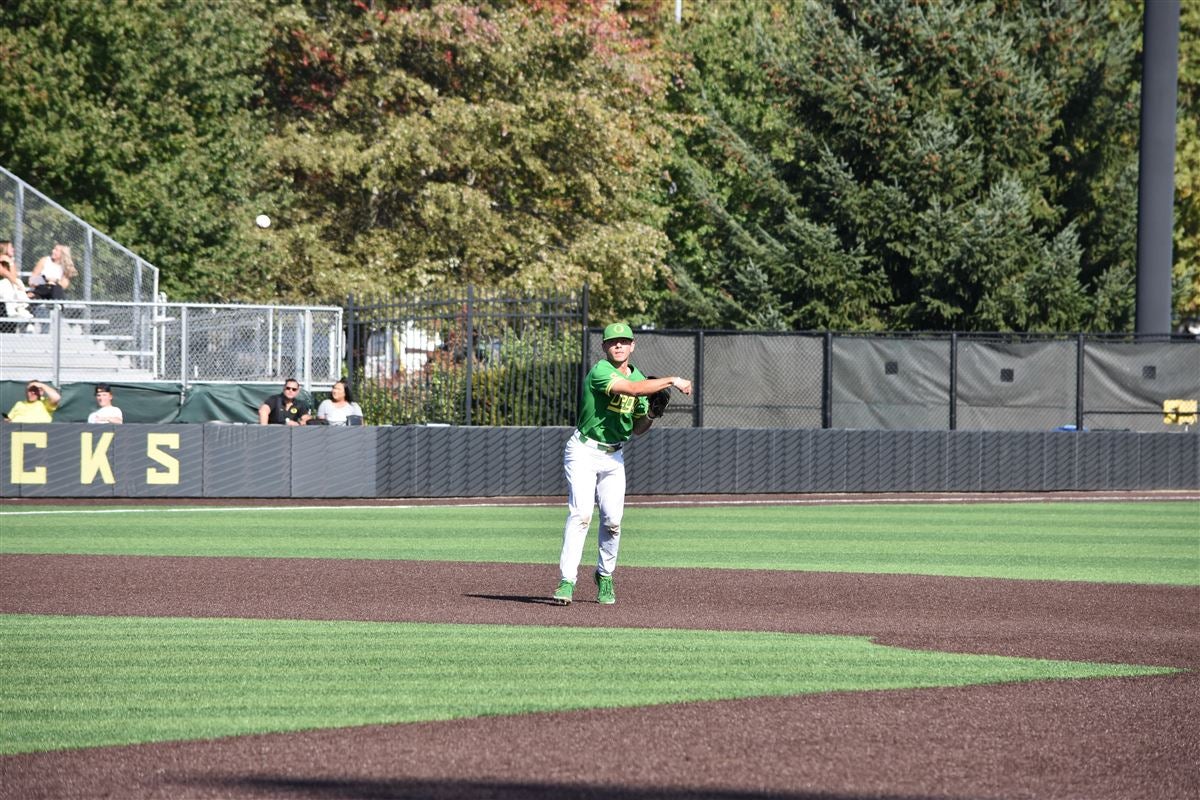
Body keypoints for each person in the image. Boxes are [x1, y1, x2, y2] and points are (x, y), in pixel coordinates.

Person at [551, 322, 692, 606]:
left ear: (632, 345)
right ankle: (567, 581)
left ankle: (604, 576)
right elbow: (633, 389)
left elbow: (638, 429)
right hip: (583, 450)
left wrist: (651, 414)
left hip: (613, 456)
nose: (618, 345)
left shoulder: (639, 375)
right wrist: (673, 379)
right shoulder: (601, 372)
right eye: (612, 341)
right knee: (580, 515)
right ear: (604, 347)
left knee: (613, 521)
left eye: (624, 341)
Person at [0, 243, 34, 332]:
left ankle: (22, 308)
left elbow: (14, 276)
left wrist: (10, 262)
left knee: (14, 282)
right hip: (3, 288)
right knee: (7, 282)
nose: (13, 249)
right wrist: (19, 286)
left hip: (8, 290)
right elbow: (5, 274)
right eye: (11, 247)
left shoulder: (10, 261)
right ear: (4, 248)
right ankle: (16, 308)